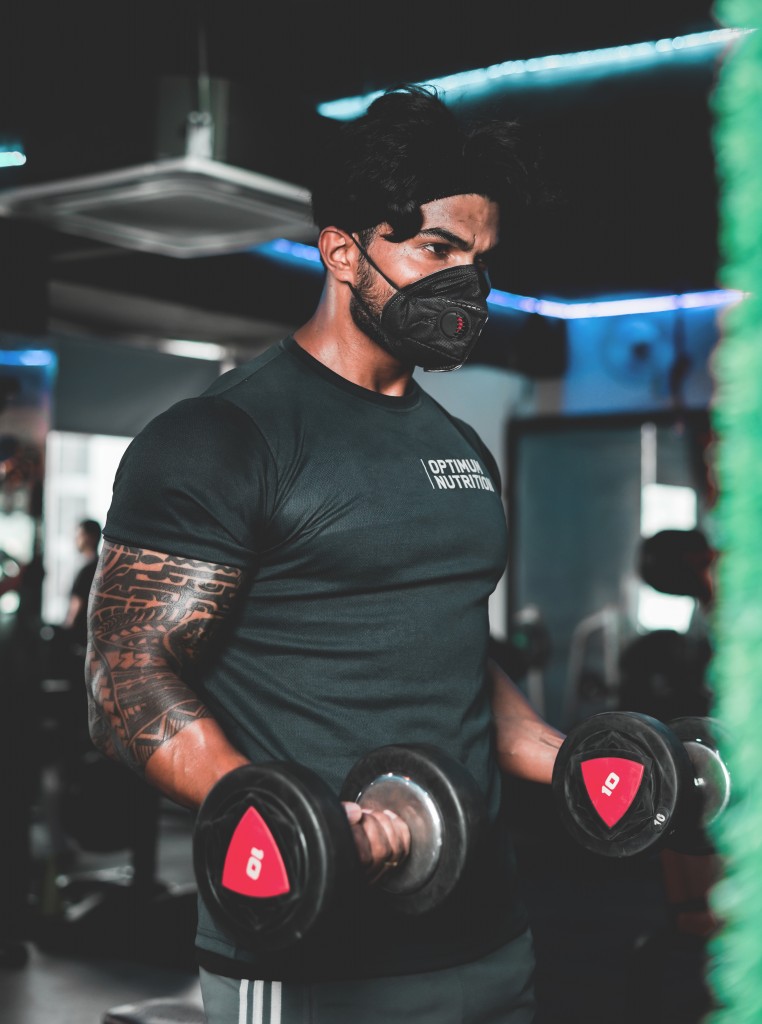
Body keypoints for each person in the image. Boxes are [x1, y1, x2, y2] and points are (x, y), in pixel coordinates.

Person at [86, 85, 564, 1024]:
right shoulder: (226, 436)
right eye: (437, 249)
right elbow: (124, 683)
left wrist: (577, 758)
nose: (467, 284)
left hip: (491, 935)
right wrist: (294, 819)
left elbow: (455, 659)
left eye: (481, 259)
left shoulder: (460, 449)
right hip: (314, 949)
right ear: (343, 251)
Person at [63, 519, 101, 653]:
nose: (76, 540)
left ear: (90, 537)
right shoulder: (100, 567)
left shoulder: (88, 570)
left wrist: (67, 631)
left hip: (80, 641)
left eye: (79, 535)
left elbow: (76, 605)